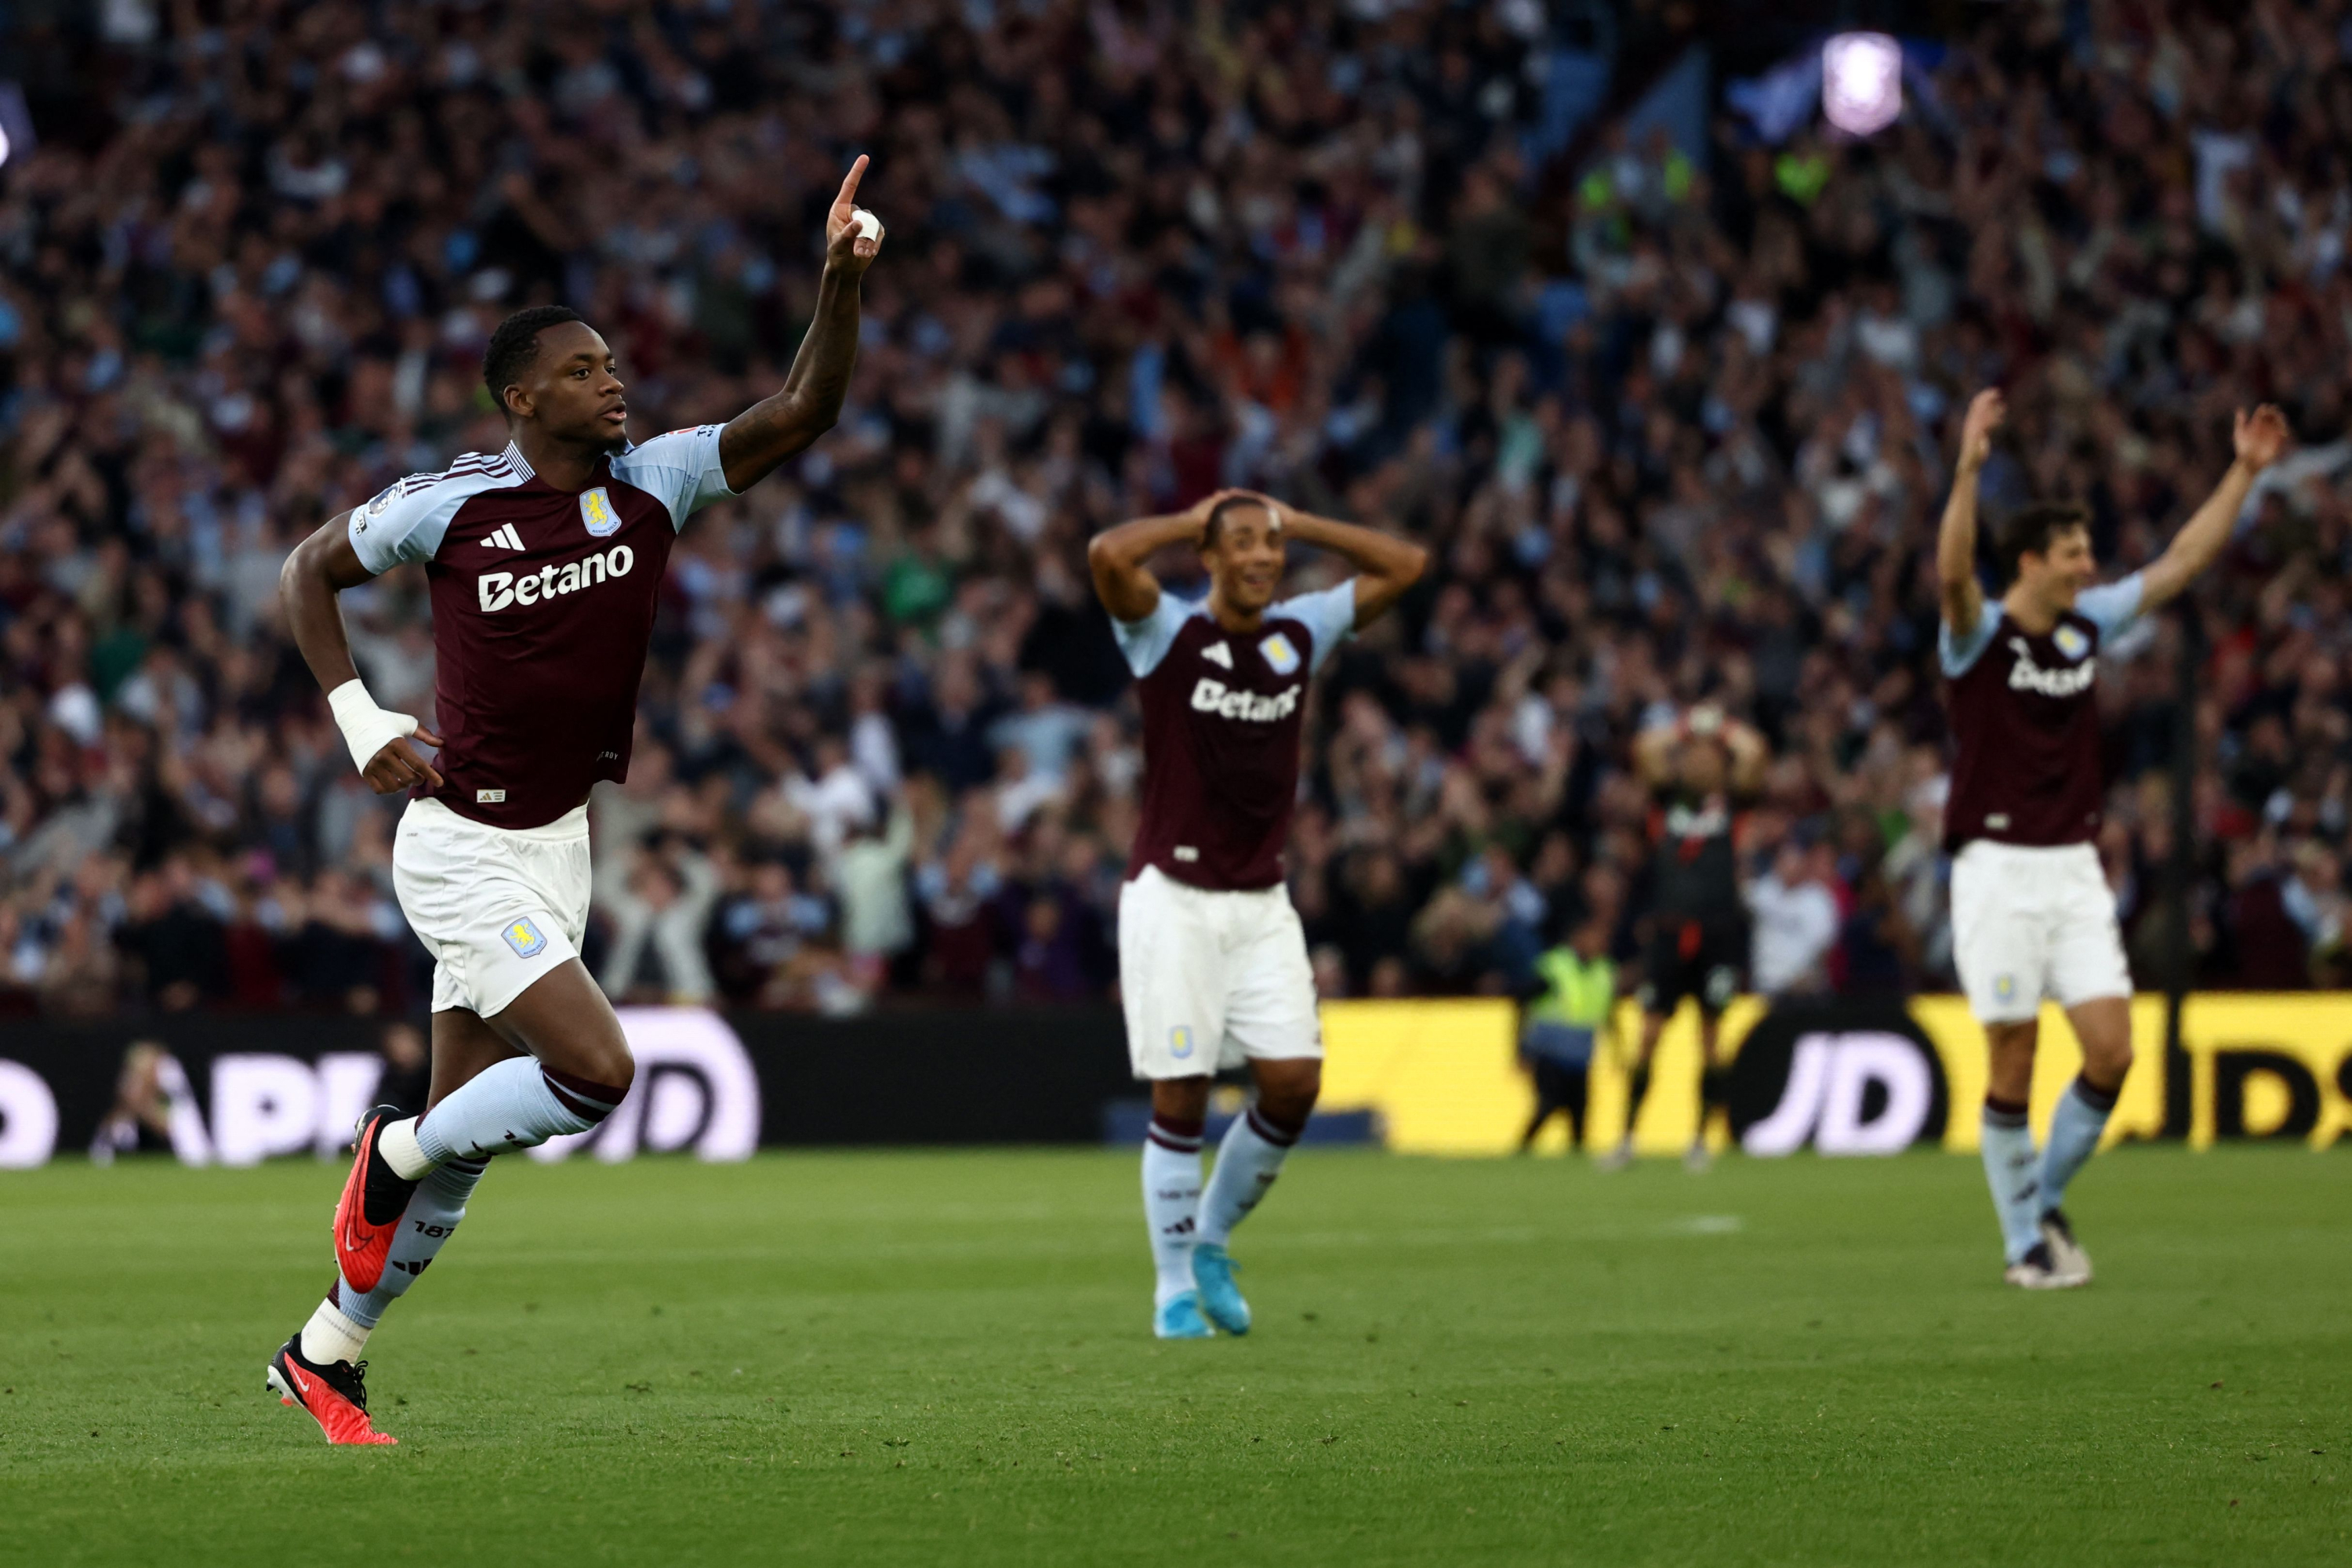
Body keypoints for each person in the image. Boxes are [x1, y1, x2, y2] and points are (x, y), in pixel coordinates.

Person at [263, 159, 885, 1443]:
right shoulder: (452, 509)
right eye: (590, 368)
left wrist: (837, 282)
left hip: (560, 850)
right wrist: (360, 718)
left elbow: (803, 408)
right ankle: (389, 1157)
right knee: (595, 1073)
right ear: (524, 397)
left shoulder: (655, 480)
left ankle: (327, 1351)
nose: (618, 382)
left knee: (472, 1144)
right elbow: (305, 575)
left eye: (615, 366)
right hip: (459, 847)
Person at [1936, 388, 2288, 1288]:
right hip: (1997, 869)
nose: (2091, 565)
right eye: (2074, 553)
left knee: (2113, 1050)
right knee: (2013, 1049)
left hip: (2073, 870)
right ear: (2030, 562)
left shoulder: (2089, 626)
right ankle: (2022, 1246)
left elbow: (2177, 565)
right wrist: (1970, 469)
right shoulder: (1979, 638)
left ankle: (2040, 1199)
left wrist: (2243, 473)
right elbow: (1950, 578)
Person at [1088, 488, 1425, 1338]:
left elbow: (1408, 564)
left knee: (1294, 1083)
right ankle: (1170, 1290)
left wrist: (1301, 521)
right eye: (1240, 542)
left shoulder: (1300, 631)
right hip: (1173, 895)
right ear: (1209, 554)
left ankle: (1210, 1241)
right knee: (1182, 1094)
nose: (1260, 556)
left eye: (1269, 545)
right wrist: (1191, 518)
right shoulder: (1165, 631)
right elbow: (1106, 556)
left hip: (1261, 898)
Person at [1602, 706, 1766, 1172]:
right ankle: (1628, 1137)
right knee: (1648, 1036)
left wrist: (1724, 728)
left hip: (1717, 935)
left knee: (1711, 1040)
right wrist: (1689, 727)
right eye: (1692, 757)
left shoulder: (1734, 805)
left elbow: (1755, 751)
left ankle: (1699, 1139)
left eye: (1709, 758)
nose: (1699, 763)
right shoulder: (1665, 802)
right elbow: (1644, 748)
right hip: (1670, 935)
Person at [1517, 915, 1618, 1153]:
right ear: (1579, 937)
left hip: (1580, 1056)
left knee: (1579, 1111)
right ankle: (1523, 1148)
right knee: (1549, 1103)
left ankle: (1573, 1155)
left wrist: (1618, 1051)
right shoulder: (1555, 966)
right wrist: (1521, 1048)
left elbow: (1608, 1014)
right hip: (1549, 1052)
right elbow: (1524, 1003)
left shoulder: (1604, 971)